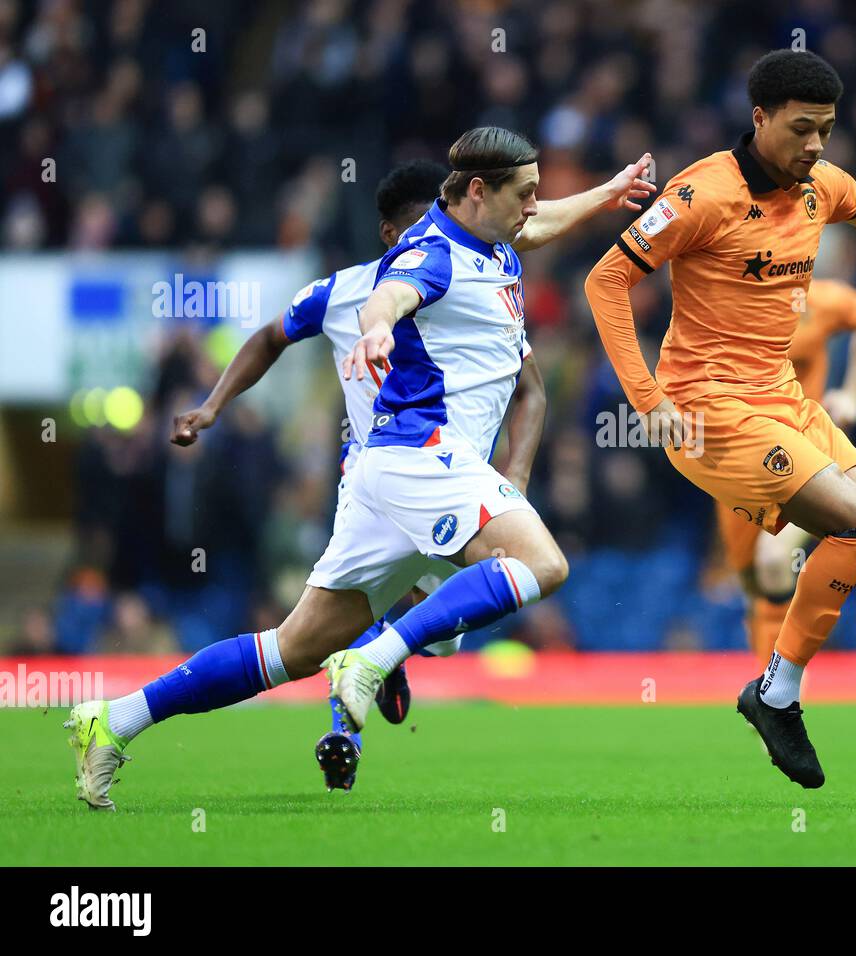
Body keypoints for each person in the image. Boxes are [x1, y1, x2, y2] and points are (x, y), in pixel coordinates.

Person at [64, 128, 655, 810]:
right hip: (424, 457)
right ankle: (377, 659)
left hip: (387, 474)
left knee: (290, 651)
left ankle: (114, 720)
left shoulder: (491, 238)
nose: (533, 207)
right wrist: (377, 327)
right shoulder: (430, 256)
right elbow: (392, 294)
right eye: (522, 194)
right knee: (543, 565)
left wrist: (608, 194)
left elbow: (543, 222)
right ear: (475, 193)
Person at [585, 50, 856, 800]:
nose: (816, 146)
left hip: (785, 402)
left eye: (827, 131)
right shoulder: (698, 195)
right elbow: (605, 280)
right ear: (759, 119)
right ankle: (775, 696)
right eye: (802, 129)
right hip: (709, 410)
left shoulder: (819, 188)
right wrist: (648, 401)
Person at [168, 160, 502, 792]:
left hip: (452, 471)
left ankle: (387, 649)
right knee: (332, 618)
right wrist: (213, 405)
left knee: (446, 635)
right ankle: (347, 726)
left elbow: (529, 389)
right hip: (376, 476)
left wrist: (515, 471)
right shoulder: (341, 293)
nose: (428, 235)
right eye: (413, 225)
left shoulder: (465, 281)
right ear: (386, 232)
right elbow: (269, 336)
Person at [715, 278, 856, 667]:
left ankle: (780, 696)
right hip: (744, 464)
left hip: (808, 455)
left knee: (774, 559)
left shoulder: (817, 301)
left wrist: (853, 394)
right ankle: (770, 700)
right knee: (754, 583)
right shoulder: (720, 313)